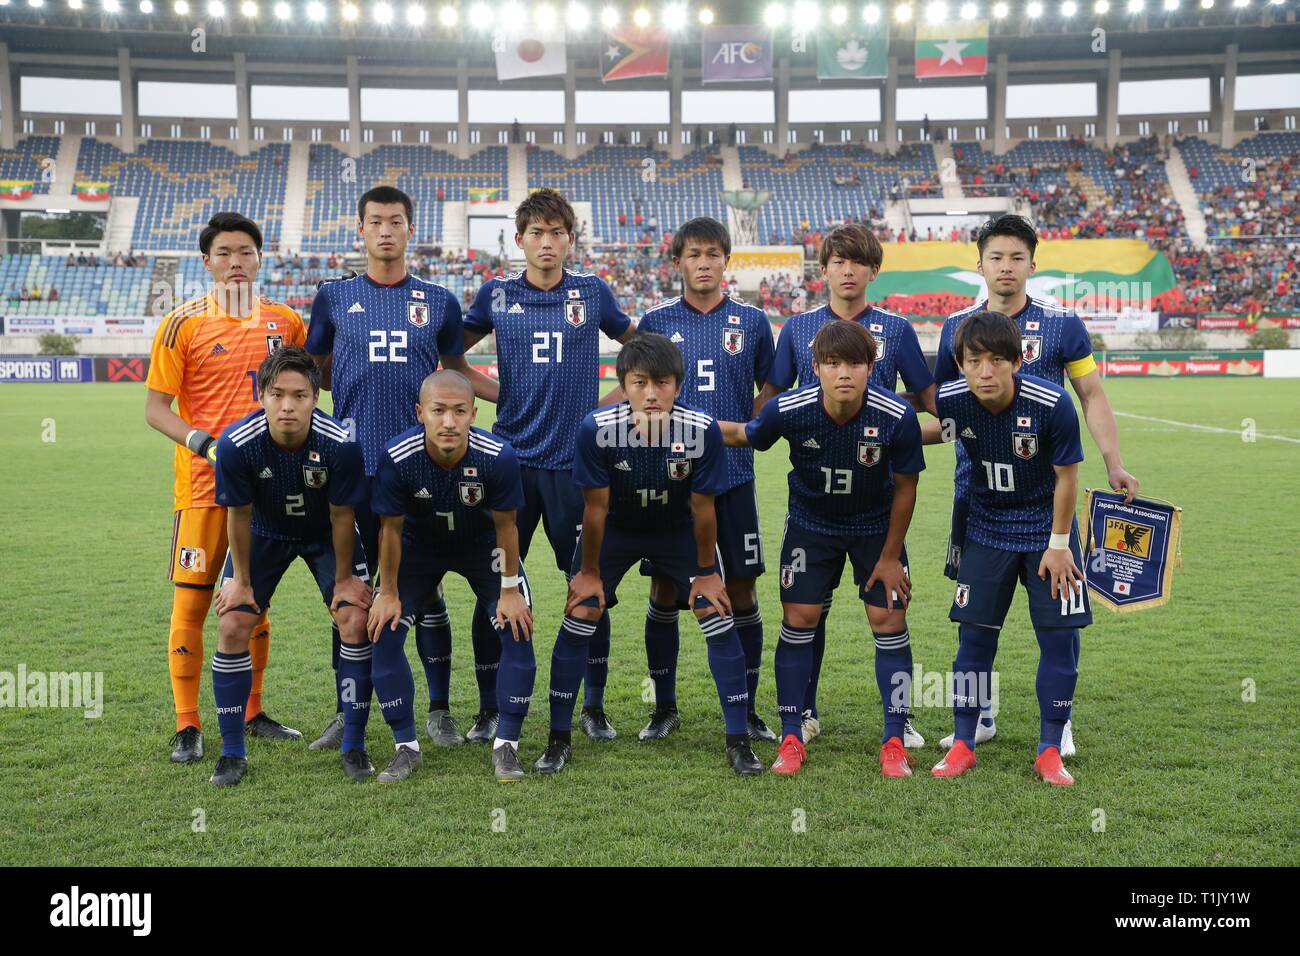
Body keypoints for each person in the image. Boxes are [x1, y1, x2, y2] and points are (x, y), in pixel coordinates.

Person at [933, 214, 1138, 754]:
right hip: (976, 494)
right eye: (995, 256)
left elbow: (1092, 396)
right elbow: (940, 410)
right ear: (978, 263)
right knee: (976, 620)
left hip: (1050, 497)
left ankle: (1059, 719)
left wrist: (1113, 462)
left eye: (1016, 257)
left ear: (1032, 263)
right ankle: (979, 715)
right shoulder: (956, 327)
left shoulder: (1063, 324)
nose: (1005, 266)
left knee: (1059, 620)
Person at [306, 185, 500, 751]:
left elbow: (457, 371)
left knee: (427, 589)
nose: (385, 230)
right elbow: (314, 370)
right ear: (361, 230)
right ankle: (351, 712)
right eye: (375, 221)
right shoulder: (333, 298)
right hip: (354, 471)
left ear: (411, 230)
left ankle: (438, 709)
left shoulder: (438, 300)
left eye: (396, 221)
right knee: (354, 594)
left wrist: (510, 395)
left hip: (422, 473)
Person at [534, 333, 763, 777]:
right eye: (640, 382)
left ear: (678, 385)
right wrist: (589, 572)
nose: (652, 394)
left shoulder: (700, 431)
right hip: (617, 527)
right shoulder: (597, 429)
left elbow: (702, 508)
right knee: (581, 610)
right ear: (623, 384)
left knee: (715, 610)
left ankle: (738, 741)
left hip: (676, 529)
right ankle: (558, 738)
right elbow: (596, 509)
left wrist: (705, 572)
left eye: (662, 382)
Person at [462, 188, 637, 740]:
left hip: (575, 465)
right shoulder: (496, 295)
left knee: (588, 584)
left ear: (569, 239)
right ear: (520, 240)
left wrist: (608, 403)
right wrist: (497, 396)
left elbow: (640, 346)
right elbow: (450, 357)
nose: (546, 242)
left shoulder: (593, 291)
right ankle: (489, 707)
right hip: (509, 459)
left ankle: (593, 706)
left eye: (556, 232)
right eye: (535, 233)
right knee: (496, 586)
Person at [757, 223, 933, 747]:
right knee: (809, 609)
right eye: (838, 261)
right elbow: (770, 401)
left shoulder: (896, 331)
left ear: (873, 271)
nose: (848, 271)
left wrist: (900, 438)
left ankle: (899, 725)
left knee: (886, 611)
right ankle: (803, 712)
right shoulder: (798, 328)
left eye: (858, 262)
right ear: (825, 269)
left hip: (876, 500)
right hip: (815, 496)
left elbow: (931, 406)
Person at [720, 322, 923, 777]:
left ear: (872, 367)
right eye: (832, 364)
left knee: (888, 618)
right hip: (812, 527)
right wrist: (687, 425)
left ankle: (894, 739)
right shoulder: (790, 409)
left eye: (854, 363)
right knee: (799, 620)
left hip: (875, 529)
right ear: (816, 368)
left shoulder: (896, 416)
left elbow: (907, 487)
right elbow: (745, 436)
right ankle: (792, 734)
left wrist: (891, 557)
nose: (843, 373)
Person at [144, 212, 306, 763]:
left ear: (260, 258)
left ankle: (254, 710)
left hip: (267, 491)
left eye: (245, 252)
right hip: (203, 490)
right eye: (224, 254)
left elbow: (305, 389)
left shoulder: (286, 322)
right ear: (207, 261)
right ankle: (187, 724)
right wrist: (204, 442)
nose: (236, 262)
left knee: (253, 605)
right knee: (190, 605)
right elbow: (154, 409)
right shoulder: (181, 323)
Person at [626, 217, 777, 742]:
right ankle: (663, 707)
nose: (705, 263)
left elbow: (772, 387)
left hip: (732, 477)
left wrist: (747, 428)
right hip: (668, 481)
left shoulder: (753, 322)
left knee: (740, 592)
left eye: (714, 254)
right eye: (694, 254)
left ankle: (748, 707)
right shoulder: (655, 319)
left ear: (726, 261)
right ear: (678, 262)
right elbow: (640, 387)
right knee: (666, 589)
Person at [925, 310, 1090, 786]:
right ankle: (963, 743)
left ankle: (1050, 748)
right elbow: (940, 431)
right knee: (972, 640)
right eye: (974, 360)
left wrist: (1060, 545)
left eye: (998, 360)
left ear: (1019, 360)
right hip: (987, 530)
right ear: (959, 363)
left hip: (1048, 532)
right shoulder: (953, 400)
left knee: (1059, 639)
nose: (985, 370)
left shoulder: (1053, 403)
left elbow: (1067, 477)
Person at [210, 348, 373, 785]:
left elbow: (343, 516)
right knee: (232, 626)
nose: (288, 405)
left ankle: (354, 744)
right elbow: (238, 516)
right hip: (263, 533)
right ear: (260, 394)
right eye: (278, 394)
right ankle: (231, 753)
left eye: (299, 395)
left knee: (355, 620)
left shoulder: (340, 444)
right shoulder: (235, 444)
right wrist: (241, 583)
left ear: (315, 397)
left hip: (324, 533)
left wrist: (343, 581)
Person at [367, 371, 536, 783]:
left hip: (482, 547)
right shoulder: (398, 456)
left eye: (459, 411)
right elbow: (389, 530)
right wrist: (387, 591)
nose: (448, 422)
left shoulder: (498, 455)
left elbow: (507, 526)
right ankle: (405, 747)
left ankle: (507, 747)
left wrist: (510, 591)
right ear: (420, 413)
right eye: (438, 411)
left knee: (517, 627)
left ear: (474, 413)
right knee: (384, 631)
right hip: (418, 548)